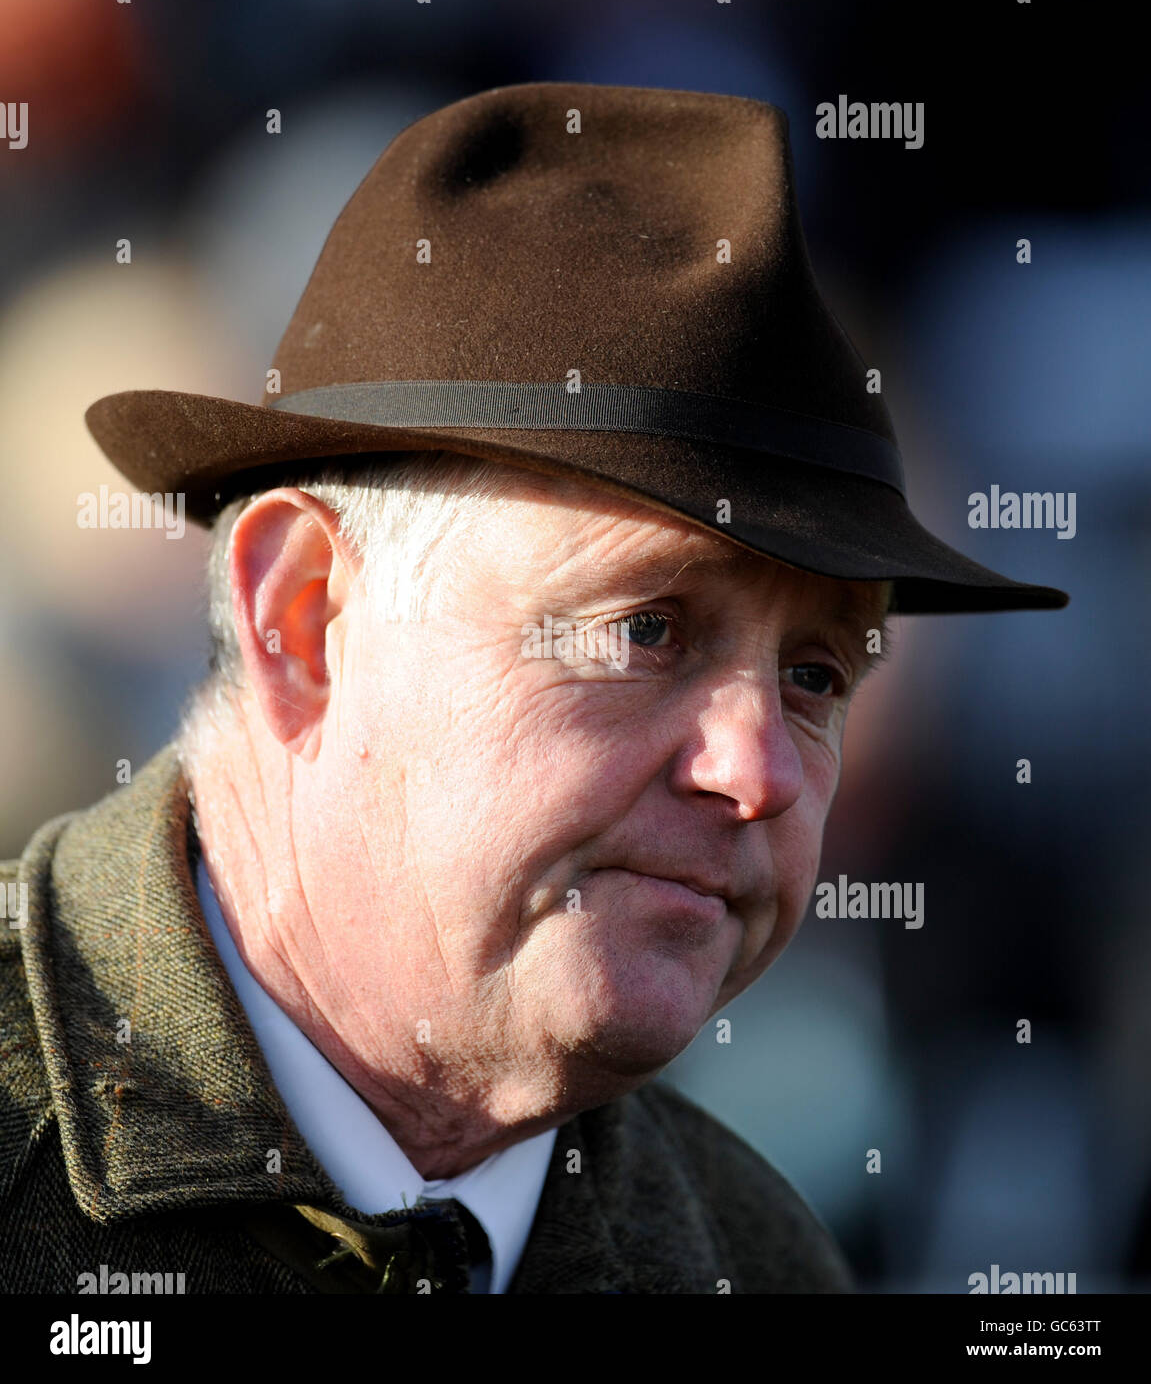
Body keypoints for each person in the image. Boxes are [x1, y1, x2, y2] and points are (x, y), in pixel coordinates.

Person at [0, 82, 1067, 1295]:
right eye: (645, 630)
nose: (759, 770)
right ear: (304, 615)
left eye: (814, 675)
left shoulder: (756, 1258)